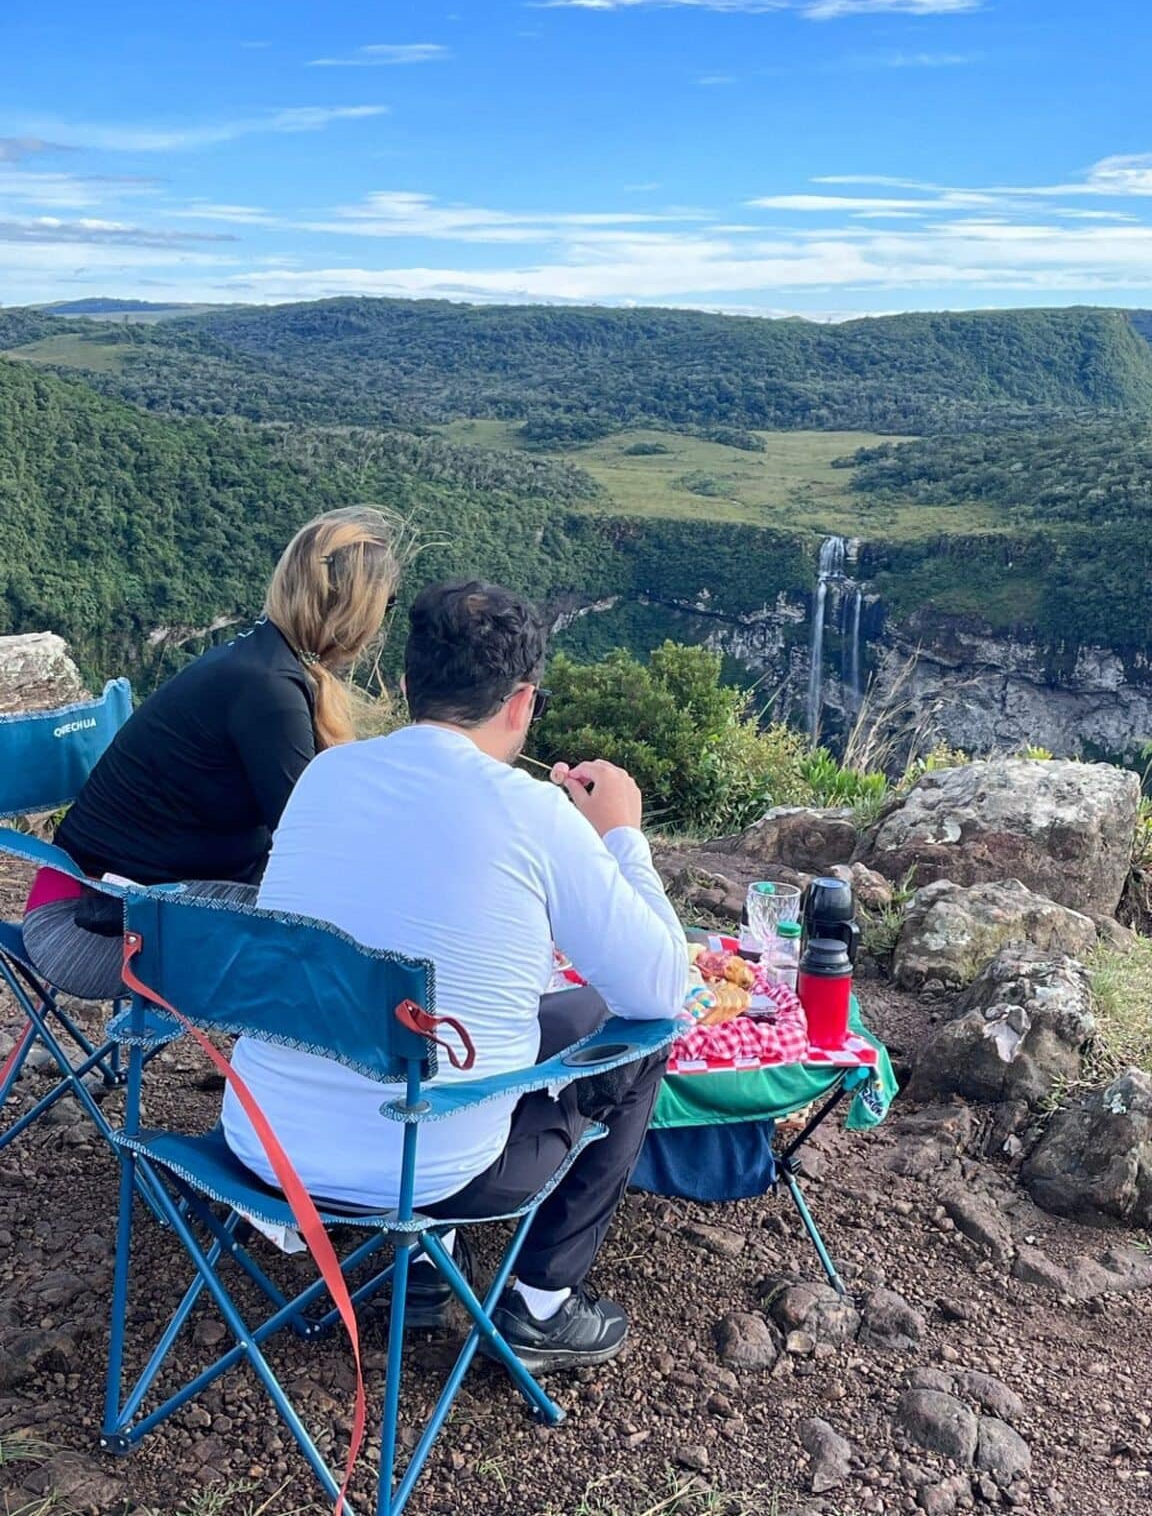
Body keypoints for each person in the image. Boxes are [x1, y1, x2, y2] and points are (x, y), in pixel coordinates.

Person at [223, 578, 688, 1371]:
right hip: (431, 1171)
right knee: (640, 1037)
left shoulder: (324, 779)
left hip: (263, 1144)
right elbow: (662, 990)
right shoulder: (535, 813)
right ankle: (540, 1304)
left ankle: (417, 1276)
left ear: (407, 687)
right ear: (523, 704)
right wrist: (621, 839)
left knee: (435, 1018)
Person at [22, 505, 404, 1002]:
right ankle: (288, 1070)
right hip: (95, 924)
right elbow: (313, 843)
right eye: (387, 603)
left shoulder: (263, 660)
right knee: (343, 926)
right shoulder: (267, 688)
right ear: (356, 608)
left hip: (107, 896)